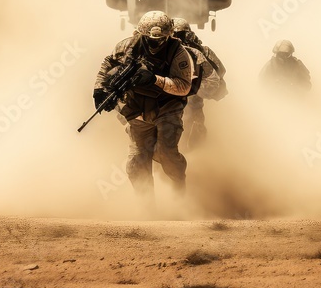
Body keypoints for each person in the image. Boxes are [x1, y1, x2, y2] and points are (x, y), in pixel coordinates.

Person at [94, 11, 193, 201]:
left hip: (167, 109)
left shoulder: (178, 52)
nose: (156, 44)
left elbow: (184, 86)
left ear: (168, 36)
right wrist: (99, 89)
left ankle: (179, 191)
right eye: (151, 40)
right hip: (137, 111)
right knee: (136, 161)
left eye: (161, 40)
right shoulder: (127, 46)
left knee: (167, 154)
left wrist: (155, 80)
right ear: (141, 34)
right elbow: (108, 63)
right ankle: (147, 207)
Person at [172, 18, 226, 149]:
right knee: (194, 130)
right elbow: (220, 71)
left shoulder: (198, 51)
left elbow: (218, 74)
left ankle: (196, 159)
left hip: (182, 102)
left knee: (189, 131)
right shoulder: (202, 50)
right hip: (188, 102)